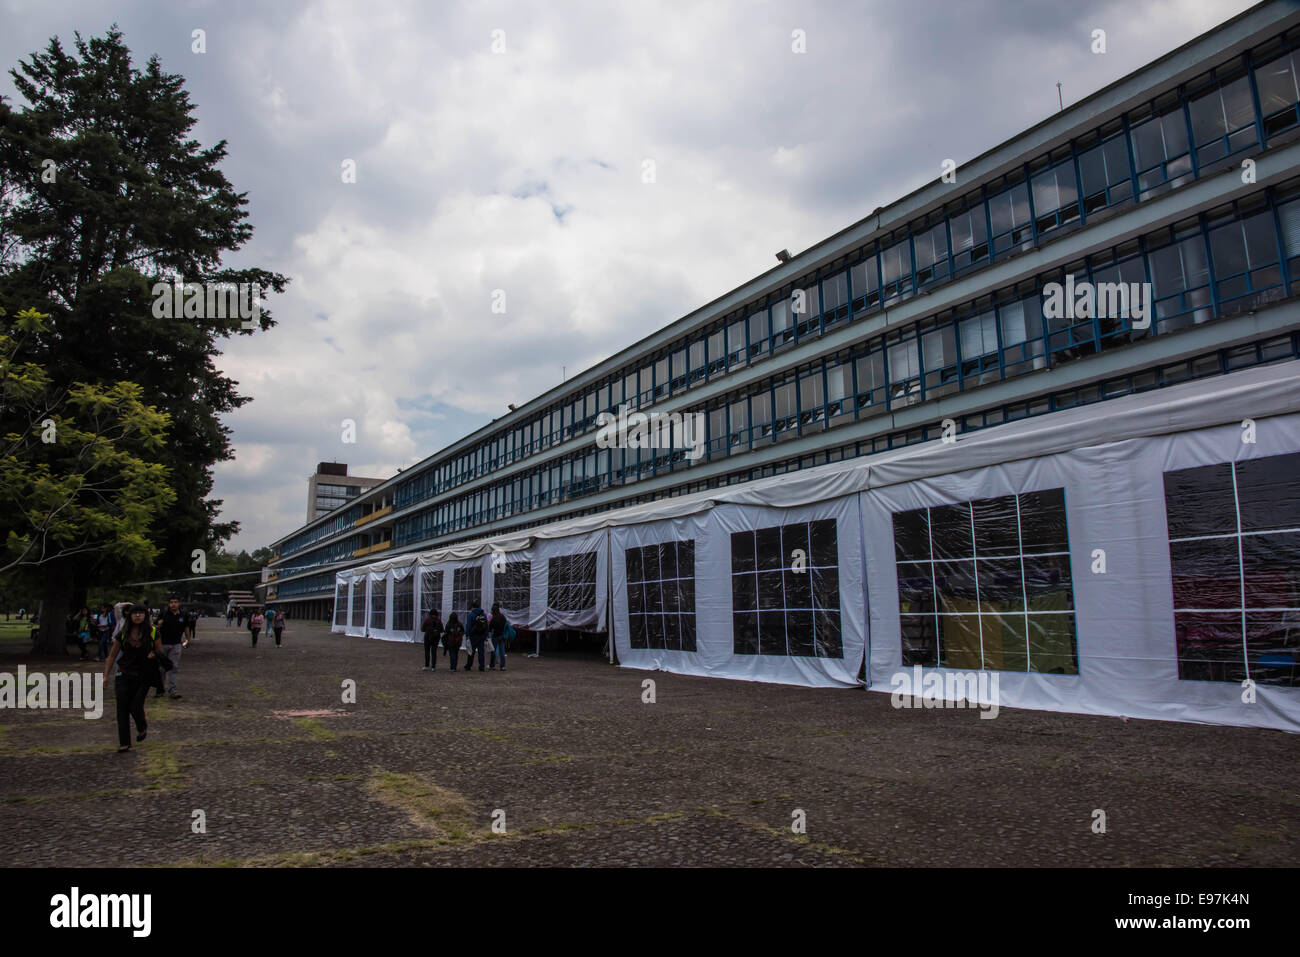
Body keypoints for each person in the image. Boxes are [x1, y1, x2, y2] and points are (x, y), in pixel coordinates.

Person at [102, 604, 164, 753]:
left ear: (145, 616)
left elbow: (160, 653)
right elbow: (111, 656)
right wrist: (105, 676)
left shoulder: (153, 632)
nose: (137, 616)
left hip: (144, 676)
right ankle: (124, 743)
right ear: (129, 616)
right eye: (134, 613)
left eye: (141, 613)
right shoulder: (123, 633)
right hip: (124, 673)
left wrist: (154, 655)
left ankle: (142, 727)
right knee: (122, 708)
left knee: (135, 705)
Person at [154, 597, 186, 700]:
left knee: (174, 667)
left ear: (179, 603)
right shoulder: (163, 614)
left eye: (175, 602)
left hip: (176, 644)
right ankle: (160, 689)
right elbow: (154, 627)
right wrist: (158, 625)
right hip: (163, 644)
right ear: (169, 604)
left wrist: (188, 639)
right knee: (161, 668)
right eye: (171, 602)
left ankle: (173, 689)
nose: (173, 604)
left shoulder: (183, 615)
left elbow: (186, 627)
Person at [464, 603, 489, 672]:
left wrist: (467, 635)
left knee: (471, 651)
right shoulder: (483, 614)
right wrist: (486, 635)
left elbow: (468, 625)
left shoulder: (471, 614)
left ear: (473, 607)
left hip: (473, 635)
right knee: (481, 651)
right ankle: (481, 666)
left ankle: (469, 665)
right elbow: (486, 625)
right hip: (482, 635)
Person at [488, 603, 509, 671]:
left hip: (495, 636)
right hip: (502, 636)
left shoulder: (493, 619)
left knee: (493, 651)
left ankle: (492, 665)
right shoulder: (502, 617)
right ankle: (502, 666)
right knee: (502, 652)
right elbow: (506, 625)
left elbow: (490, 629)